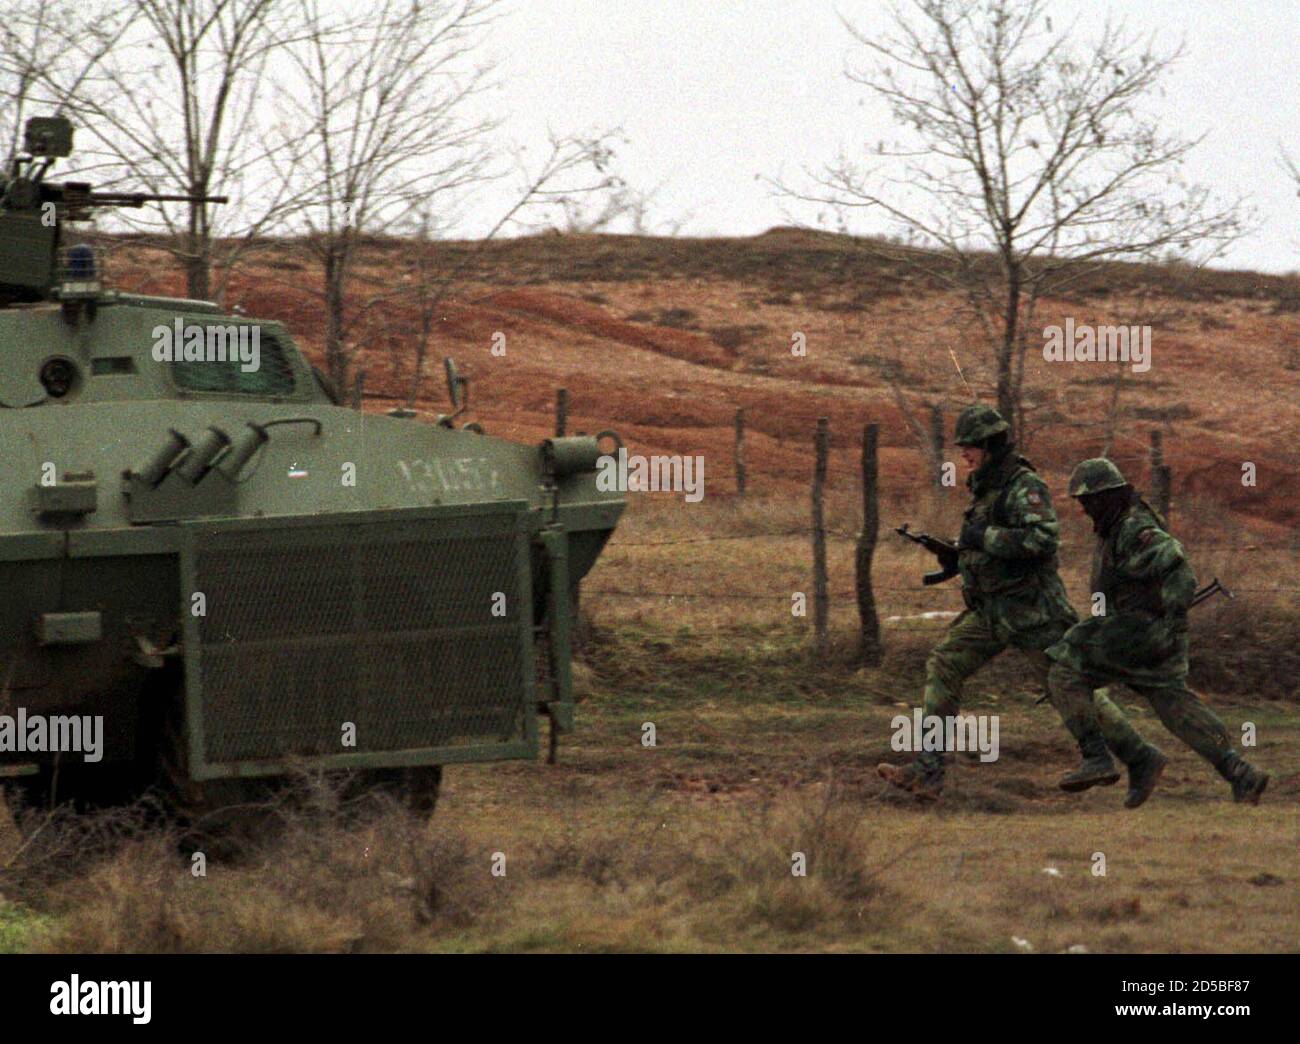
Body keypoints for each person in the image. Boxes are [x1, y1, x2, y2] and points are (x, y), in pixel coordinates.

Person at [878, 406, 1162, 804]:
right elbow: (987, 544)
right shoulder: (986, 488)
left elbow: (1042, 539)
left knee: (1069, 687)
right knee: (945, 663)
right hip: (992, 611)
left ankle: (1139, 756)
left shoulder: (1024, 486)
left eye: (971, 446)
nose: (964, 454)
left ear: (991, 446)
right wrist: (958, 556)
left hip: (1033, 612)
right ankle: (928, 770)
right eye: (962, 447)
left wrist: (985, 538)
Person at [1045, 458, 1268, 804]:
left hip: (1140, 632)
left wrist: (1175, 612)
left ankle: (1097, 757)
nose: (1085, 508)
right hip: (1151, 633)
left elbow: (1176, 563)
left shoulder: (1133, 528)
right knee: (1174, 704)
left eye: (1089, 500)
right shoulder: (1116, 525)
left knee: (1063, 670)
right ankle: (1240, 772)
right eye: (1082, 502)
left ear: (1110, 496)